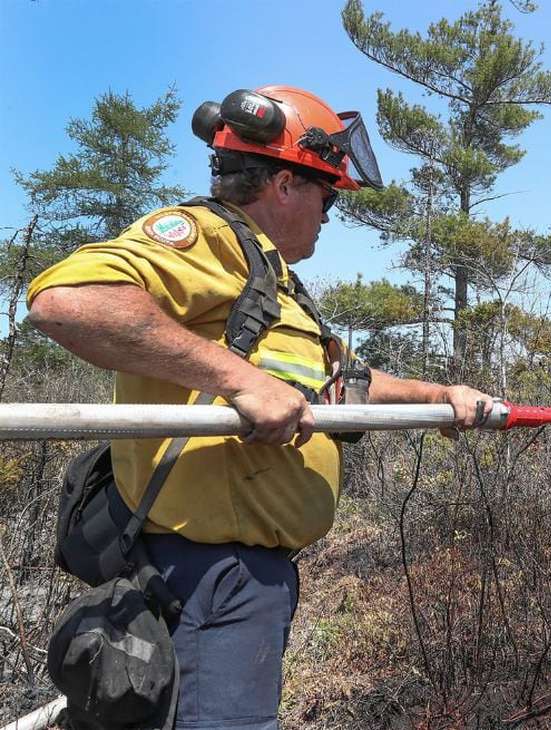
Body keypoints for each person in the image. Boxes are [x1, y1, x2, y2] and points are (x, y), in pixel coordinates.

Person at [26, 85, 492, 730]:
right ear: (283, 184)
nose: (329, 215)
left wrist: (442, 396)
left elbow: (342, 382)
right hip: (205, 572)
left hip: (246, 577)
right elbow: (67, 302)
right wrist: (240, 380)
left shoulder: (271, 283)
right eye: (327, 196)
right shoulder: (208, 237)